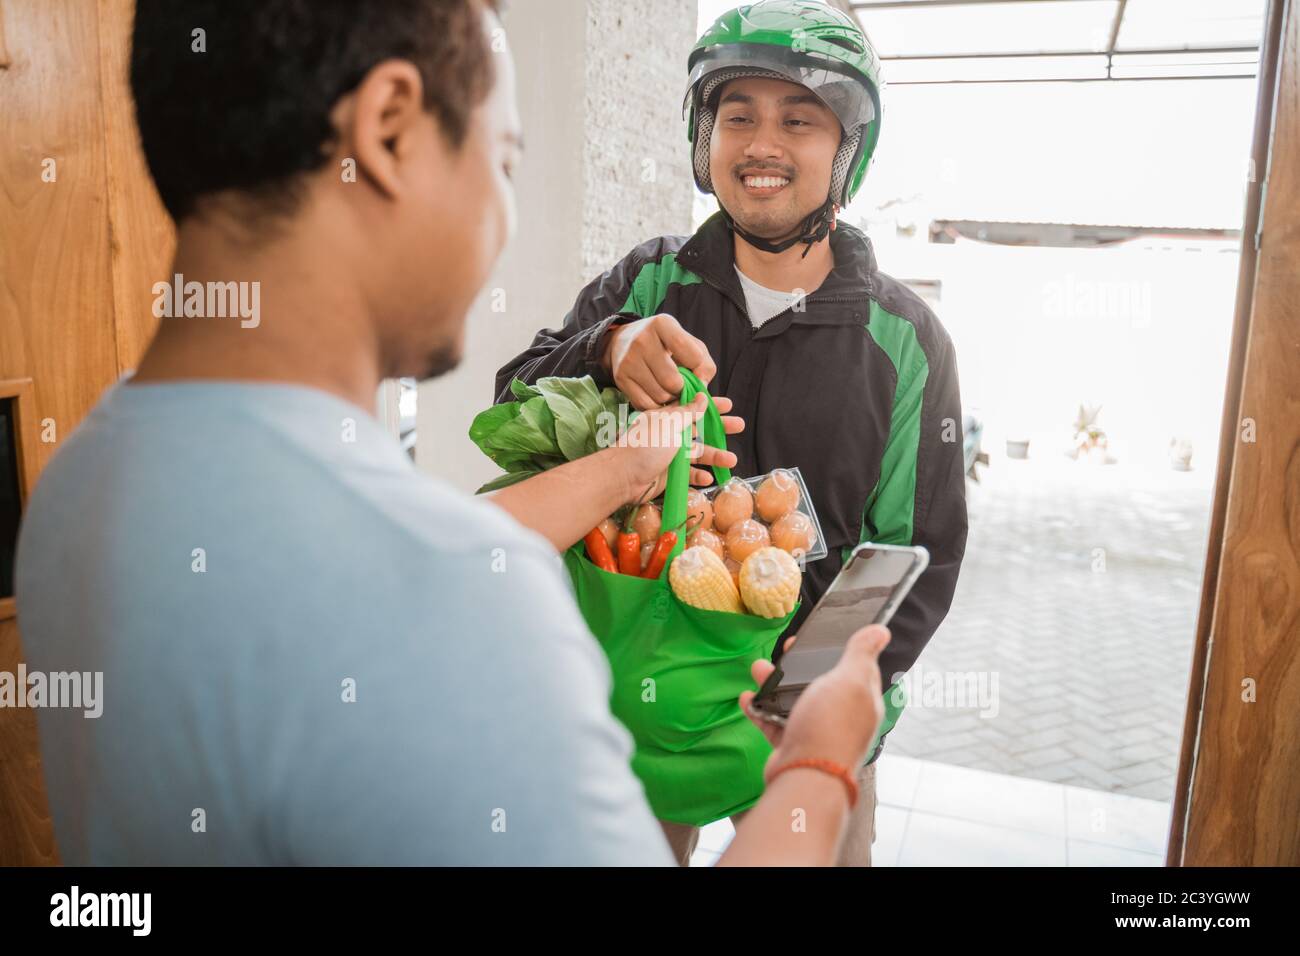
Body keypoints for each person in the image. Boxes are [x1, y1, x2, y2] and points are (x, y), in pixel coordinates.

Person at [15, 0, 888, 866]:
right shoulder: (462, 601)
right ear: (390, 132)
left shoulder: (78, 479)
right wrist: (820, 756)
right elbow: (434, 565)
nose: (503, 217)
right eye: (501, 159)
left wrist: (628, 471)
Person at [496, 0, 969, 864]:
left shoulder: (905, 341)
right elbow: (513, 396)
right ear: (702, 136)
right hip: (634, 711)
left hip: (800, 725)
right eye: (738, 114)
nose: (763, 143)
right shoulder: (646, 282)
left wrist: (813, 698)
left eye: (800, 119)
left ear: (846, 150)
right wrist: (606, 348)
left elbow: (918, 551)